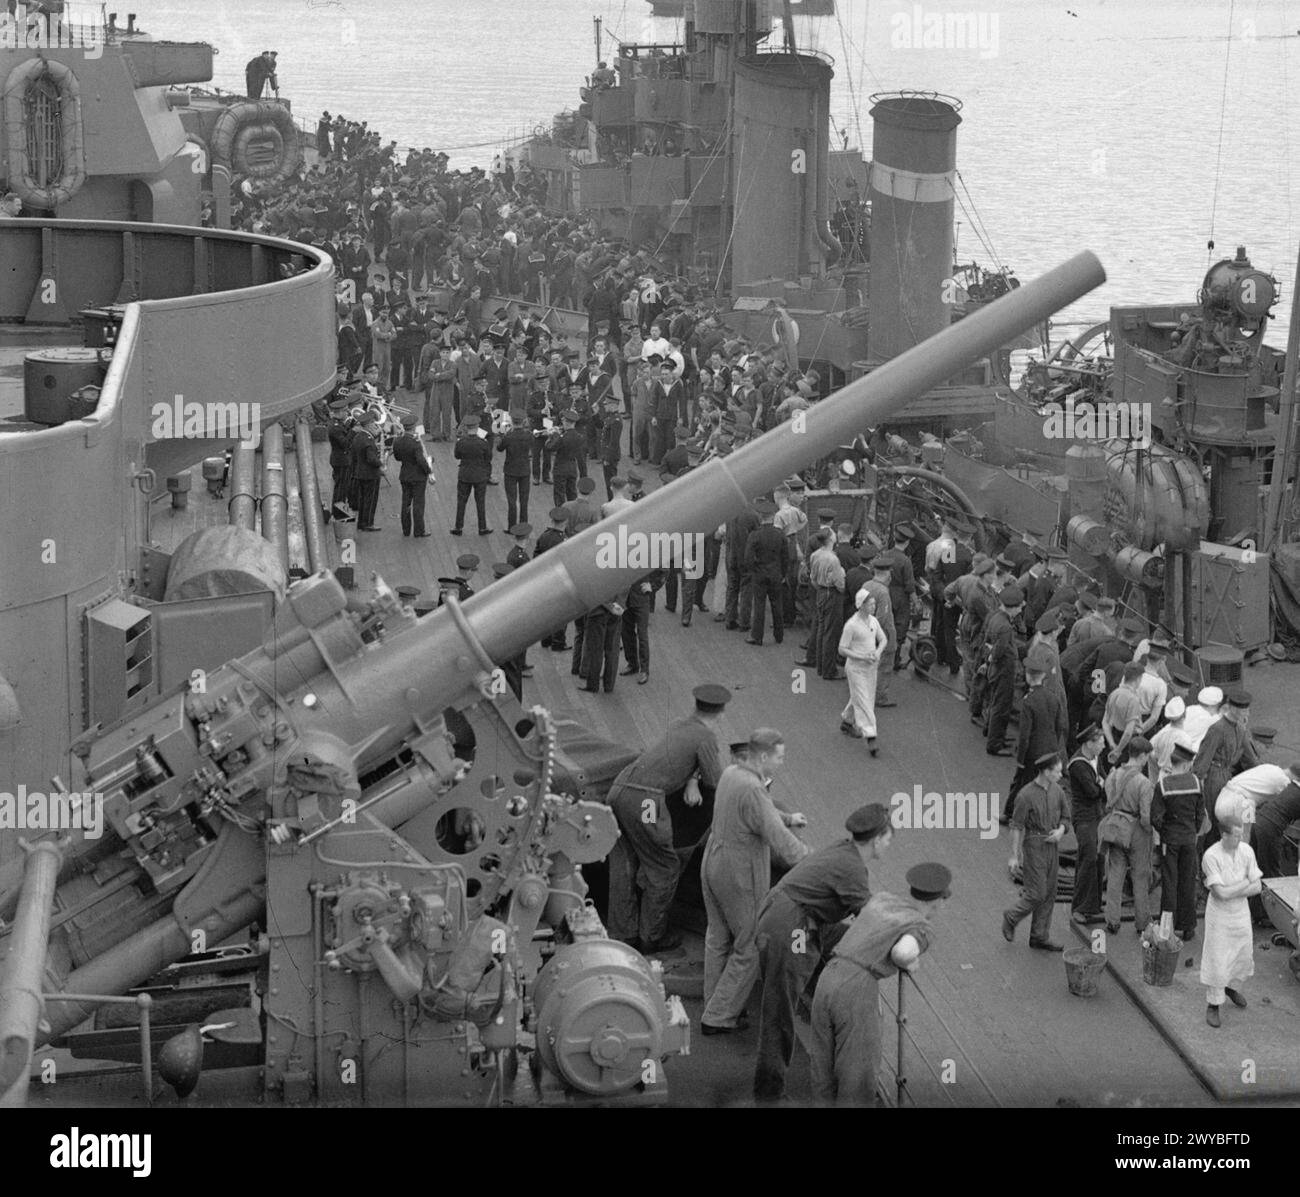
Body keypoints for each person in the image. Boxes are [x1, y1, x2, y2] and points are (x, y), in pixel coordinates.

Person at [753, 804, 885, 1103]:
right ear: (877, 839)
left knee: (844, 941)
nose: (889, 842)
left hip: (790, 917)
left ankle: (828, 1010)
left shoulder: (845, 850)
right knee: (779, 1010)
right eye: (888, 836)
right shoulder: (852, 868)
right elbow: (870, 916)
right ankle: (768, 1094)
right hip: (792, 928)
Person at [809, 863, 951, 1107]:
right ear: (938, 901)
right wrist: (911, 961)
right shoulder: (921, 926)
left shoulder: (882, 900)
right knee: (857, 1074)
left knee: (822, 1068)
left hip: (829, 974)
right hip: (857, 987)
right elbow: (902, 953)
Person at [605, 684, 730, 952]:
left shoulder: (678, 725)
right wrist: (698, 781)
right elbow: (715, 782)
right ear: (720, 712)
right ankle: (652, 936)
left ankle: (622, 933)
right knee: (664, 867)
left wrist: (690, 780)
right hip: (646, 802)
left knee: (624, 863)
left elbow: (678, 761)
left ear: (696, 706)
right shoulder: (705, 737)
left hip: (619, 790)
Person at [700, 729, 810, 1034]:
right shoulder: (754, 788)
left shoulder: (732, 772)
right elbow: (779, 840)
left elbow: (762, 814)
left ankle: (713, 1002)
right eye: (779, 756)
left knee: (718, 936)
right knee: (750, 945)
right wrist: (811, 860)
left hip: (712, 859)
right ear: (763, 756)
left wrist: (787, 818)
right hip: (737, 872)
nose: (782, 761)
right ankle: (718, 1017)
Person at [1002, 752, 1071, 950]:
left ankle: (1039, 935)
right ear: (1046, 772)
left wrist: (1061, 830)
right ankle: (1011, 916)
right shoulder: (1025, 795)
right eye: (1057, 771)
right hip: (1034, 846)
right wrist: (1014, 856)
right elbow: (1016, 826)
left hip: (1052, 845)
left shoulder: (1057, 791)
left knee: (1049, 892)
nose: (1060, 775)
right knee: (1037, 892)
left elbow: (1067, 818)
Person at [1200, 813, 1262, 1027]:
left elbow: (1258, 886)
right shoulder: (1211, 856)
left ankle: (1232, 988)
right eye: (1236, 835)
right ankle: (1213, 1004)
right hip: (1220, 916)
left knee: (1242, 954)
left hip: (1241, 913)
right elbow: (1220, 894)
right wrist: (1244, 884)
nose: (1240, 839)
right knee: (1217, 959)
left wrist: (1235, 889)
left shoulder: (1246, 851)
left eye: (1241, 834)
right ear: (1223, 835)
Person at [1151, 739, 1206, 942]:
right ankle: (1188, 927)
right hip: (1189, 840)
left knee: (1169, 882)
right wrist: (1193, 830)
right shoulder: (1196, 784)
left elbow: (1155, 818)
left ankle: (1166, 929)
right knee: (1187, 881)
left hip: (1170, 842)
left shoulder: (1163, 786)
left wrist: (1166, 832)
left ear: (1173, 763)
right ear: (1186, 764)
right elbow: (1200, 814)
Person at [1099, 736, 1154, 936]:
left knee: (1115, 874)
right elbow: (1146, 816)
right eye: (1147, 756)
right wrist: (1150, 832)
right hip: (1136, 830)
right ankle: (1142, 923)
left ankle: (1112, 921)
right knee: (1140, 876)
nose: (1148, 760)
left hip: (1115, 826)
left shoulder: (1112, 775)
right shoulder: (1144, 783)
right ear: (1141, 756)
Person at [838, 589, 888, 754]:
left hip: (870, 668)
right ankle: (871, 737)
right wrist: (861, 657)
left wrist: (877, 653)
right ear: (861, 605)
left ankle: (847, 720)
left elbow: (883, 639)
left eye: (874, 604)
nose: (874, 607)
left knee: (860, 697)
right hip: (856, 669)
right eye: (871, 604)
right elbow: (842, 649)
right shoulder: (851, 625)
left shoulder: (873, 621)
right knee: (865, 702)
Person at [1067, 723, 1107, 927]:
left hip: (1097, 814)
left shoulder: (1094, 758)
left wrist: (1101, 784)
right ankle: (1080, 907)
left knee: (1099, 857)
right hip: (1084, 817)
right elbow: (1093, 791)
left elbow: (1102, 779)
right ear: (1089, 744)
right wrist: (1101, 784)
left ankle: (1094, 903)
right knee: (1088, 858)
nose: (1103, 746)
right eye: (1100, 743)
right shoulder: (1077, 764)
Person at [744, 498, 789, 646]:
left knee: (759, 605)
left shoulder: (755, 535)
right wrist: (783, 573)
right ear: (773, 516)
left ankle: (757, 636)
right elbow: (785, 556)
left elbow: (748, 558)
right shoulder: (780, 534)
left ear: (760, 517)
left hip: (760, 573)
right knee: (777, 604)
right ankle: (779, 634)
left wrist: (753, 570)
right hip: (776, 573)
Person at [450, 414, 492, 536]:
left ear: (467, 428)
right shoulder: (483, 443)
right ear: (477, 426)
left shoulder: (461, 442)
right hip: (480, 475)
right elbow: (488, 457)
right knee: (480, 502)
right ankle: (482, 528)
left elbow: (457, 456)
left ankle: (458, 527)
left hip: (464, 475)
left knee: (461, 502)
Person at [391, 420, 433, 537]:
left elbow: (397, 457)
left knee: (406, 503)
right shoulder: (415, 442)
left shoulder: (398, 440)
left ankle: (406, 530)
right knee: (418, 504)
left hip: (404, 475)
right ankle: (419, 530)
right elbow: (420, 460)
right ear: (413, 427)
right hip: (418, 477)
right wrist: (428, 470)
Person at [497, 412, 535, 529]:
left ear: (512, 422)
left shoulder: (508, 436)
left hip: (510, 470)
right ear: (523, 422)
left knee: (511, 500)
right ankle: (523, 524)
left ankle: (511, 526)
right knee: (524, 500)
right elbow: (533, 444)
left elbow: (499, 448)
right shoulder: (528, 435)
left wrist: (502, 436)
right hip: (524, 470)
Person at [349, 409, 383, 531]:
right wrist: (381, 464)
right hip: (370, 474)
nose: (375, 425)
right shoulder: (368, 440)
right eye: (373, 423)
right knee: (370, 500)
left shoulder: (358, 437)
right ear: (368, 425)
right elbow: (371, 459)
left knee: (363, 499)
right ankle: (368, 523)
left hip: (360, 473)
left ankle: (362, 522)